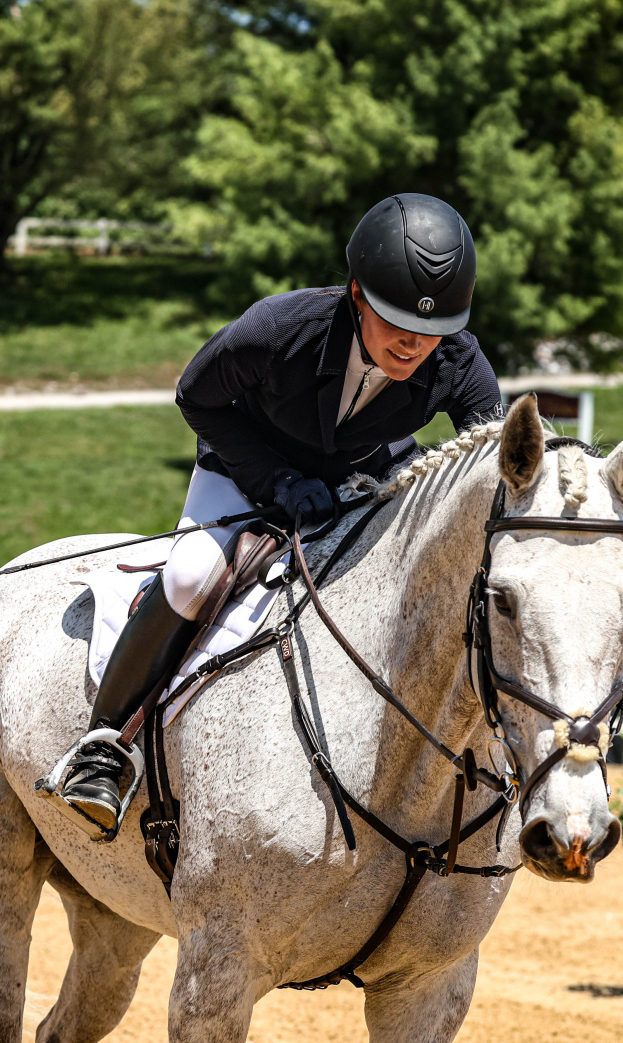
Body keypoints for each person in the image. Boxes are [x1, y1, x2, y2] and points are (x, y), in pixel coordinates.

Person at [41, 193, 504, 840]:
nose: (414, 342)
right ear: (356, 294)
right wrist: (277, 479)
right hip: (245, 473)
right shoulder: (280, 328)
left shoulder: (457, 360)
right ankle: (104, 746)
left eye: (433, 329)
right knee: (191, 575)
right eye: (398, 320)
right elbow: (196, 396)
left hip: (360, 482)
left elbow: (499, 460)